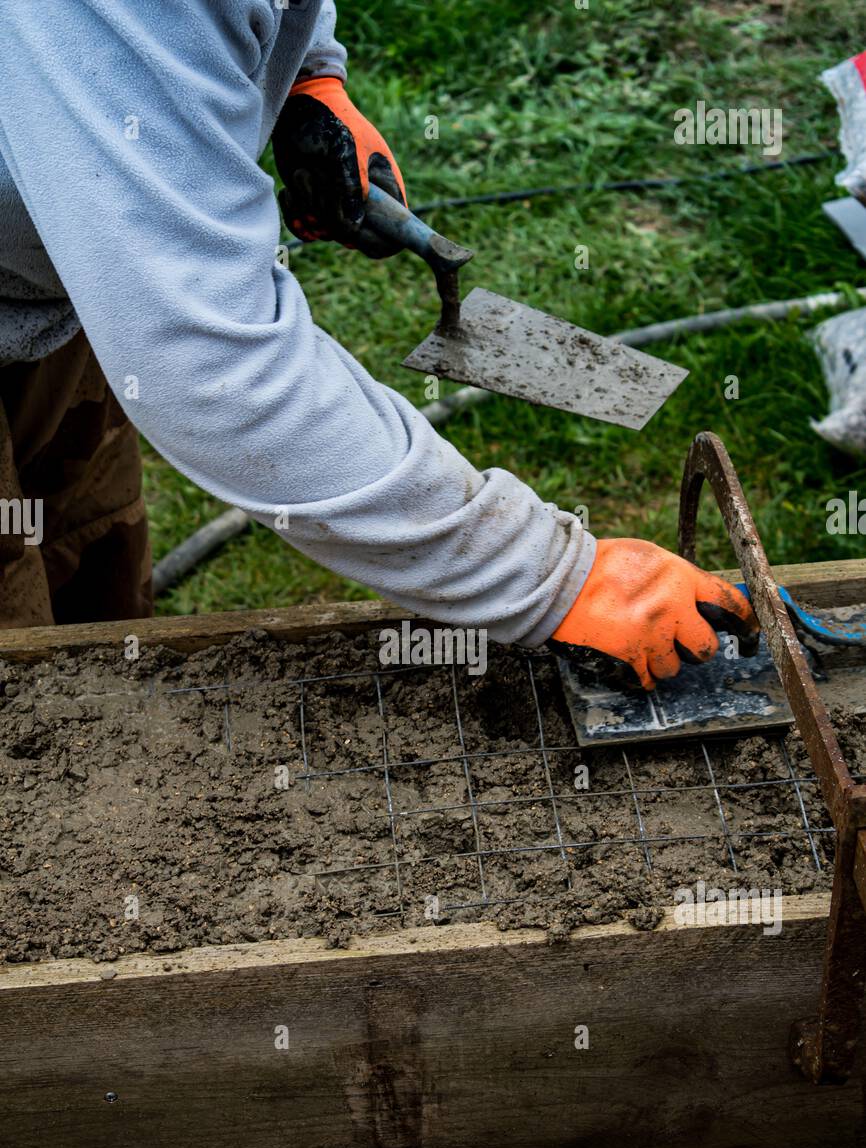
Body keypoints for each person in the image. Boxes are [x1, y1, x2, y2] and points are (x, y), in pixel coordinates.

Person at [0, 0, 757, 686]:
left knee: (88, 565)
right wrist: (548, 578)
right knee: (26, 688)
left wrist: (308, 74)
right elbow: (208, 366)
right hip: (86, 271)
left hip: (60, 282)